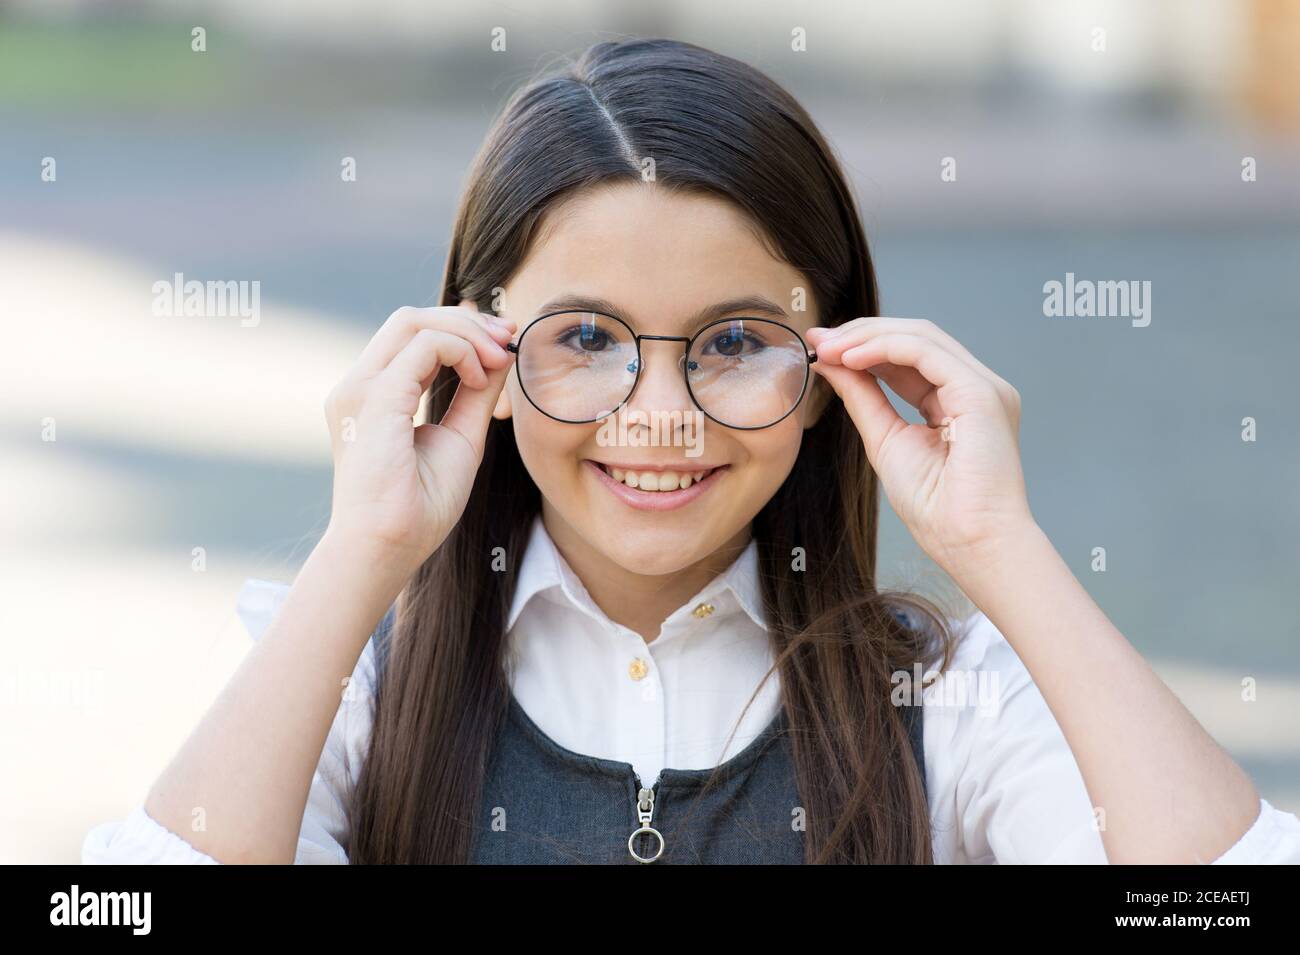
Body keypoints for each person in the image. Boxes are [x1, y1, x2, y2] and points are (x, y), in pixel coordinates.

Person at [83, 38, 1300, 864]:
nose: (660, 414)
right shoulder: (355, 680)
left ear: (831, 369)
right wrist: (360, 553)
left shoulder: (943, 697)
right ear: (481, 356)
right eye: (586, 337)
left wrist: (1004, 548)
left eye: (730, 340)